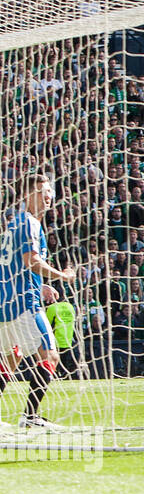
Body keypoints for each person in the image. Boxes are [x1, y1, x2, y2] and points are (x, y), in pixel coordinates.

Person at [0, 174, 79, 430]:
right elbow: (31, 261)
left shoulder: (13, 224)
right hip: (24, 303)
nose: (48, 195)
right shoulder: (29, 223)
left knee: (13, 356)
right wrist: (61, 276)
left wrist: (42, 285)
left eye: (49, 191)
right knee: (51, 355)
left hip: (5, 302)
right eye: (41, 191)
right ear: (27, 196)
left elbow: (14, 266)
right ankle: (31, 416)